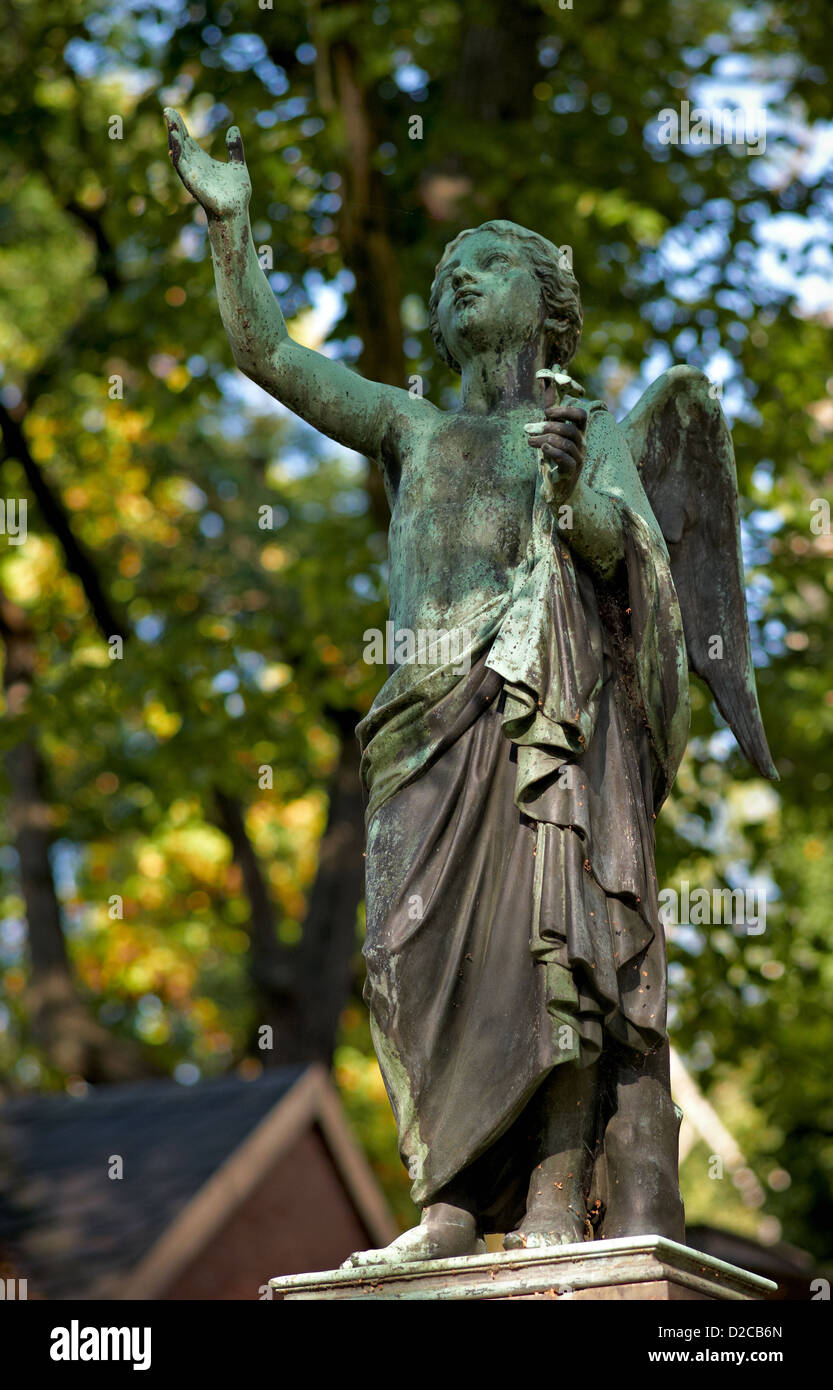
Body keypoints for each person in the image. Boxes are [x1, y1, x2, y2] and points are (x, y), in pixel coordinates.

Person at [165, 111, 690, 1264]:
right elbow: (269, 357)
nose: (455, 283)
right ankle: (447, 1204)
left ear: (544, 298)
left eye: (482, 267)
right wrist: (234, 222)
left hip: (534, 721)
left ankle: (553, 1198)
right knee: (410, 956)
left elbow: (626, 562)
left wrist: (573, 496)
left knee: (550, 945)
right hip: (422, 731)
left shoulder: (579, 427)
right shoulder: (412, 426)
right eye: (444, 274)